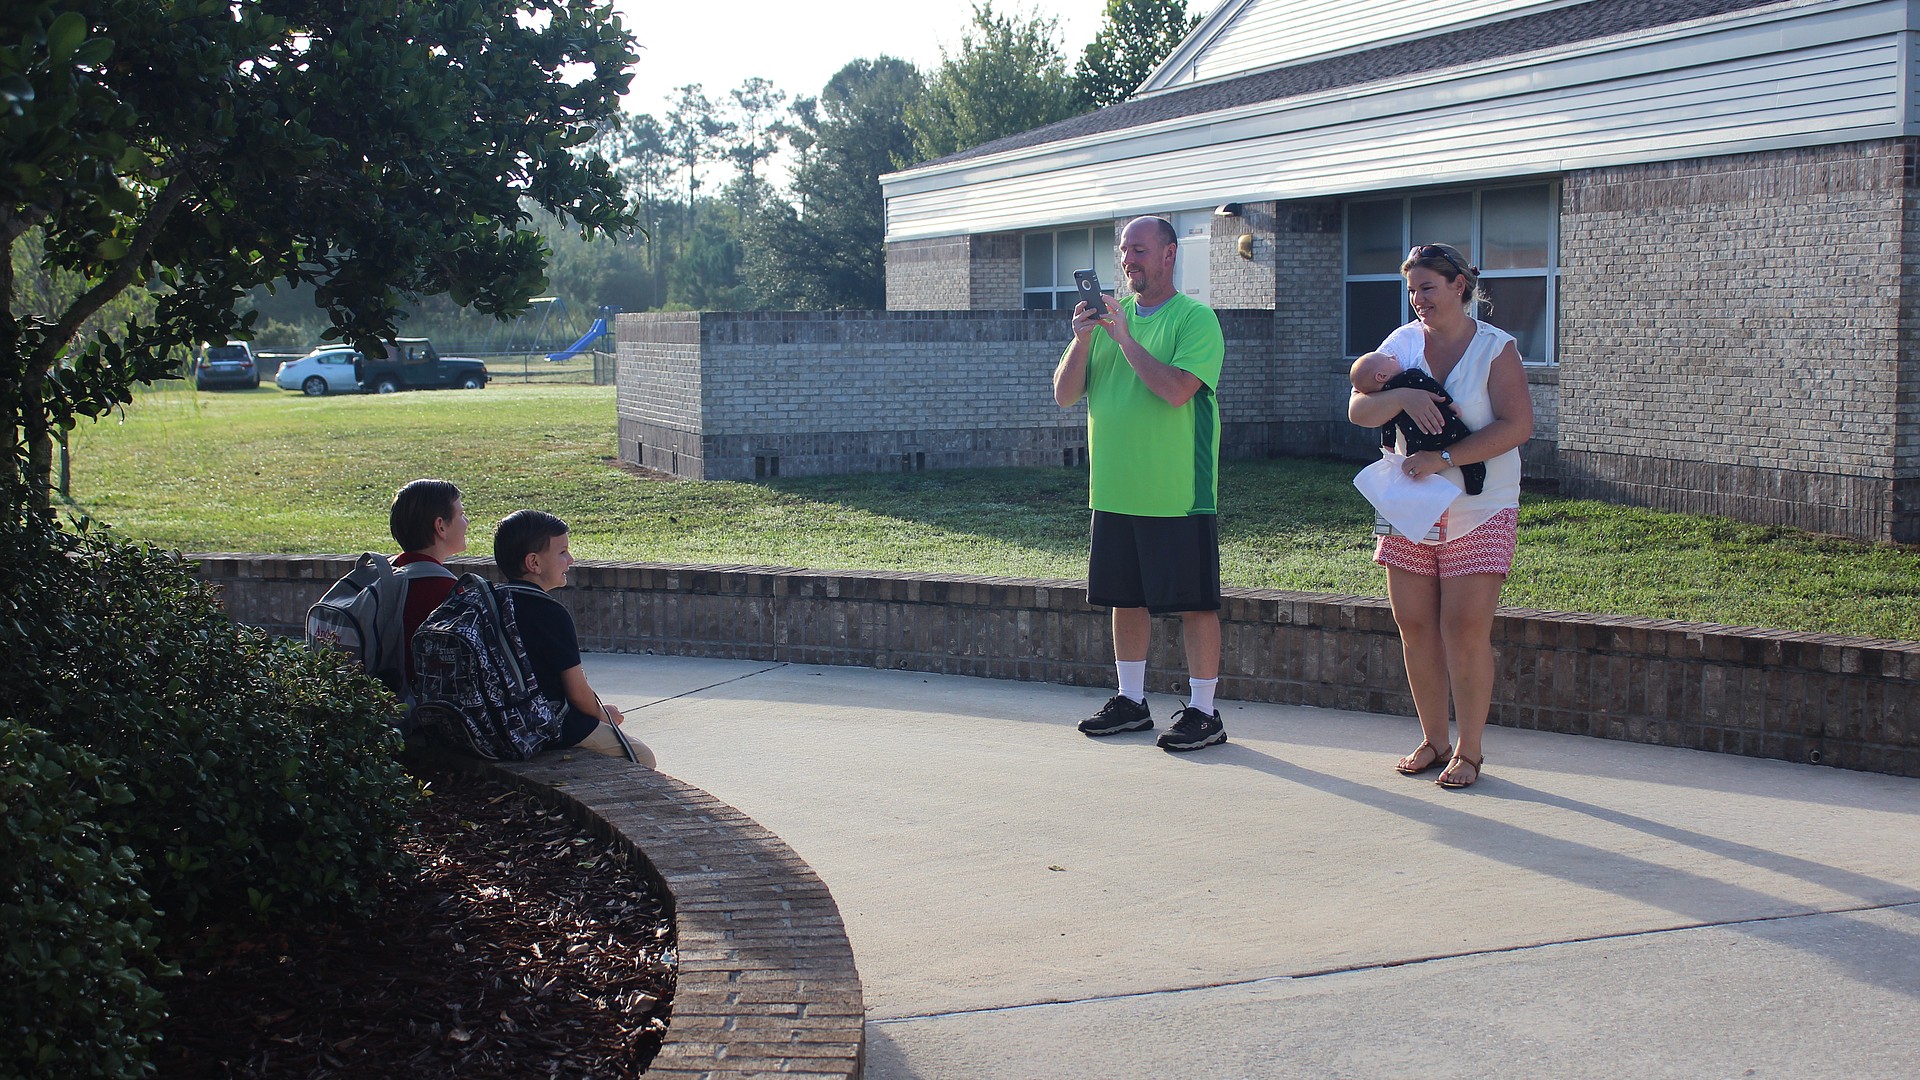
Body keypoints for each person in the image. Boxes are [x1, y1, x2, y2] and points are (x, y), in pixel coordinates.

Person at [1347, 243, 1532, 789]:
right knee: (1416, 627)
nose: (1419, 298)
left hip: (1482, 506)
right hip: (1409, 506)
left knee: (1464, 628)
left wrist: (1445, 457)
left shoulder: (1495, 349)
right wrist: (1402, 395)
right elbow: (1359, 407)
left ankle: (1470, 752)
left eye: (1428, 286)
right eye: (1412, 289)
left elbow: (1516, 426)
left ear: (1459, 286)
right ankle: (1433, 739)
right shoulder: (1401, 344)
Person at [1052, 216, 1228, 752]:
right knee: (1125, 599)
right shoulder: (1107, 321)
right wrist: (1084, 340)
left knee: (1195, 602)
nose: (1130, 260)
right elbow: (1063, 394)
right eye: (1124, 251)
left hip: (1178, 491)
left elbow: (1175, 390)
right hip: (1114, 488)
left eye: (1141, 250)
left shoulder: (1195, 319)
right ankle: (1131, 701)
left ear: (1170, 254)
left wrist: (1122, 335)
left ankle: (1205, 711)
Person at [493, 510, 657, 768]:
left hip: (502, 723)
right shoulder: (550, 613)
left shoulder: (493, 602)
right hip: (549, 726)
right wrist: (605, 716)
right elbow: (578, 693)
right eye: (562, 552)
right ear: (534, 563)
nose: (570, 559)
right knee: (642, 757)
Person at [1350, 351, 1485, 495]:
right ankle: (1474, 483)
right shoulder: (1409, 377)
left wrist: (1388, 446)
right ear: (1381, 376)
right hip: (1446, 427)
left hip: (1418, 440)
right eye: (1389, 359)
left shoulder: (1384, 400)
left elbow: (1388, 425)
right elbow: (1432, 387)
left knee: (1420, 468)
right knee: (1463, 441)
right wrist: (1449, 403)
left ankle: (1430, 491)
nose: (1395, 357)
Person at [390, 478, 466, 680]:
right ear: (440, 526)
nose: (466, 522)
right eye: (461, 514)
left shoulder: (386, 576)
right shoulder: (446, 592)